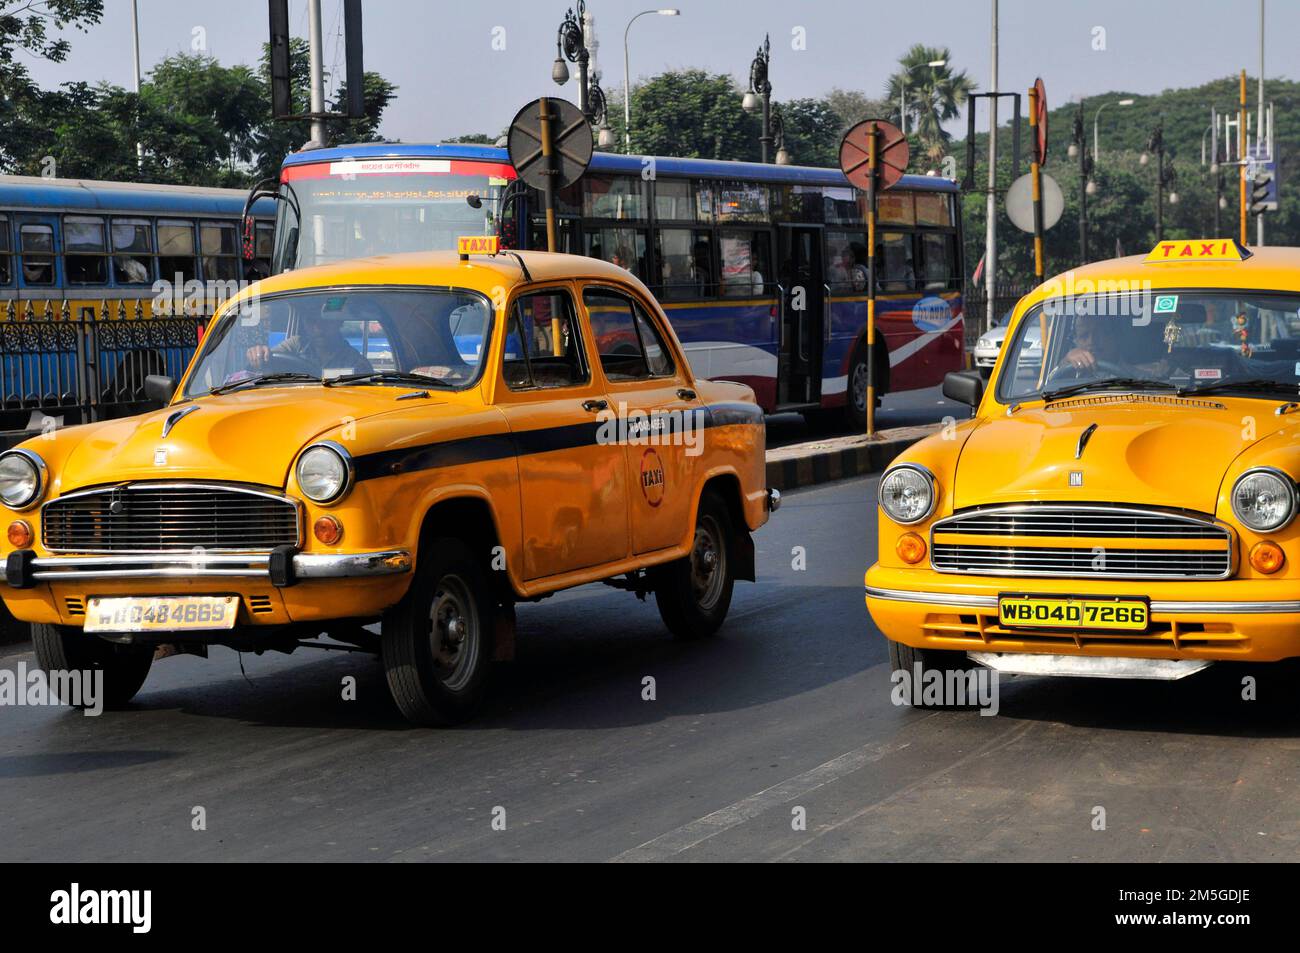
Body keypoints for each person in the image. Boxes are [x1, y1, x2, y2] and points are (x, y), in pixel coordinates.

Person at [246, 305, 372, 376]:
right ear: (304, 323)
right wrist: (258, 353)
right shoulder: (296, 345)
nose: (318, 328)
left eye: (325, 321)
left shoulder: (355, 362)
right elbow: (267, 358)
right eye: (311, 321)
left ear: (339, 322)